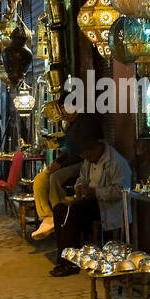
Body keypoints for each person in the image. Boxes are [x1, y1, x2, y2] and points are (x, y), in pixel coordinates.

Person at [50, 136, 132, 277]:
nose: (86, 158)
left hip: (106, 207)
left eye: (88, 154)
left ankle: (69, 263)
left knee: (73, 211)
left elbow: (121, 191)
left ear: (96, 147)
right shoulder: (90, 160)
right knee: (59, 209)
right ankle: (63, 257)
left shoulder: (116, 162)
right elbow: (82, 177)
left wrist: (96, 193)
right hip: (89, 201)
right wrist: (79, 187)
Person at [31, 103, 102, 240]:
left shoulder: (86, 121)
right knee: (40, 179)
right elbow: (68, 149)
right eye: (63, 111)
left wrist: (61, 165)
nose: (65, 115)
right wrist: (57, 162)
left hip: (82, 161)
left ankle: (61, 216)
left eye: (67, 111)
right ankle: (48, 217)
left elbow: (81, 151)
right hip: (67, 161)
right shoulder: (70, 125)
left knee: (55, 178)